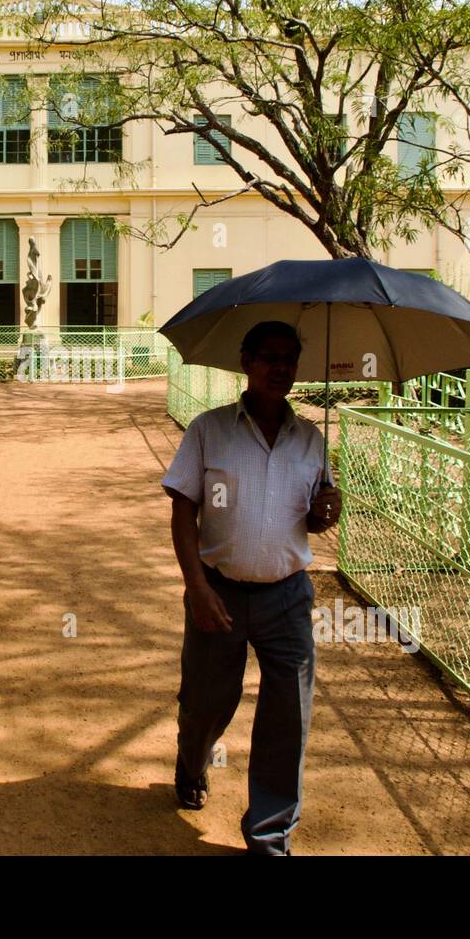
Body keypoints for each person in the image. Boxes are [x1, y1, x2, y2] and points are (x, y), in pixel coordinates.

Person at [161, 320, 341, 856]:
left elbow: (311, 518)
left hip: (287, 597)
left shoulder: (311, 439)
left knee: (289, 714)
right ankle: (192, 760)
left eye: (289, 359)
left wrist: (325, 512)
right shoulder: (209, 430)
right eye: (269, 357)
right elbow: (183, 508)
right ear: (246, 361)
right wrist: (196, 587)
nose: (280, 369)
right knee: (207, 702)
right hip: (218, 592)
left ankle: (270, 832)